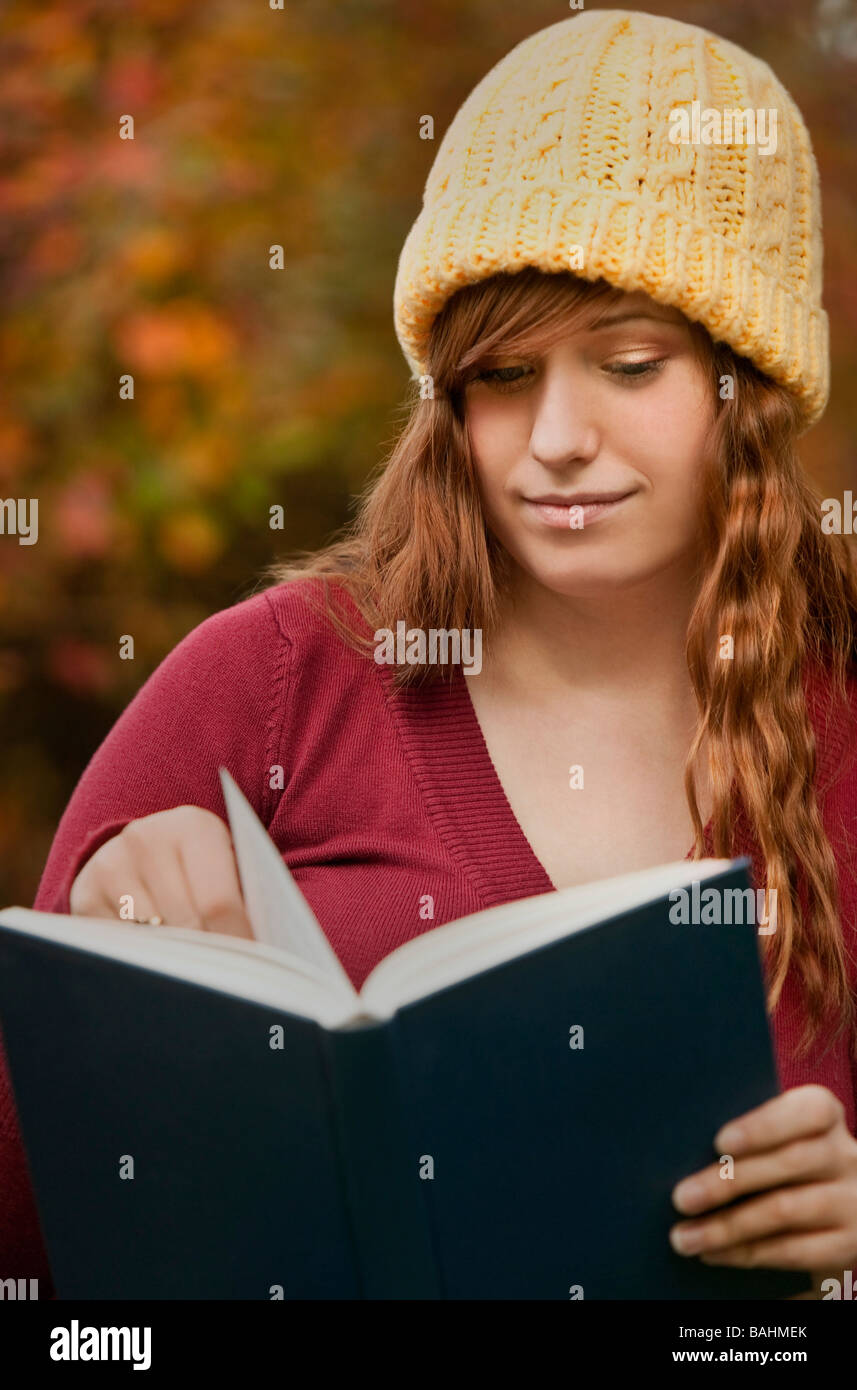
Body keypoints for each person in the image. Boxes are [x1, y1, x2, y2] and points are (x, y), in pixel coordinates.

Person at [3, 8, 857, 1298]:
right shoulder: (271, 681)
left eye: (629, 364)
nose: (556, 436)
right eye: (502, 376)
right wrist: (117, 1026)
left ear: (756, 386)